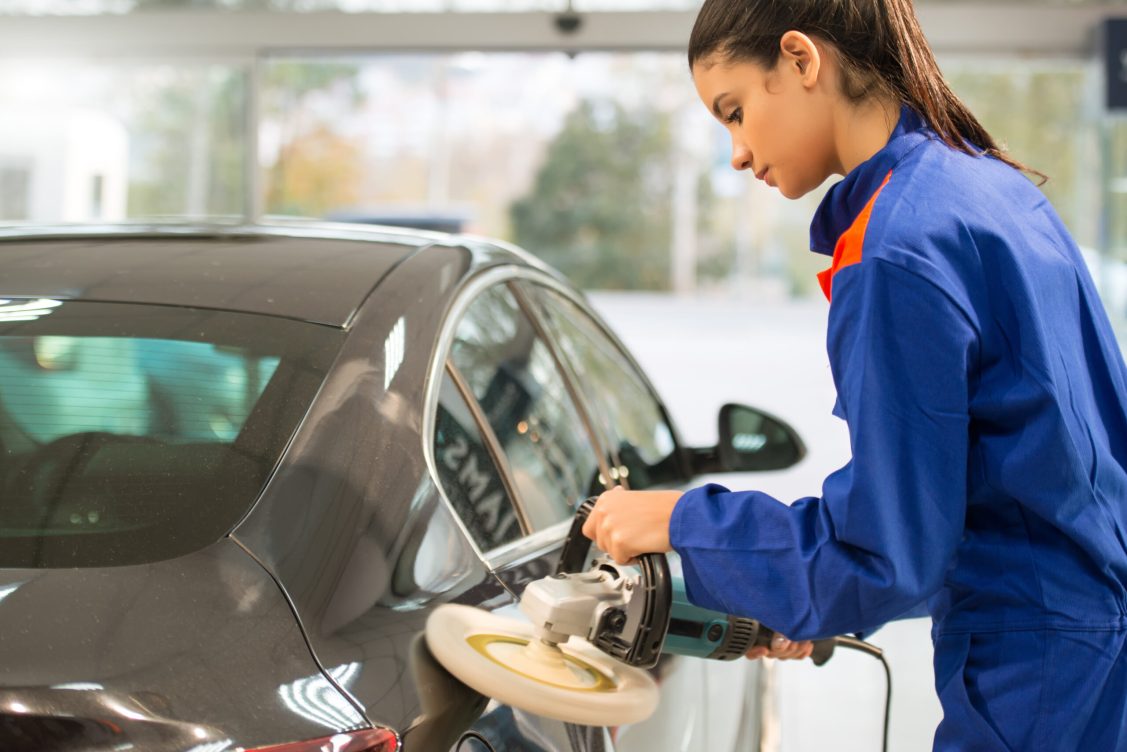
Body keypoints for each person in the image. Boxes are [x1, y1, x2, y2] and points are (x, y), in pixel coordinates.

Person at [581, 0, 1127, 748]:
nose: (736, 152)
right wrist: (800, 592)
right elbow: (1016, 494)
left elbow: (884, 554)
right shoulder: (988, 188)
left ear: (801, 59)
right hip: (1093, 641)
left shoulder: (894, 248)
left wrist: (678, 521)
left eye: (735, 112)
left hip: (1036, 673)